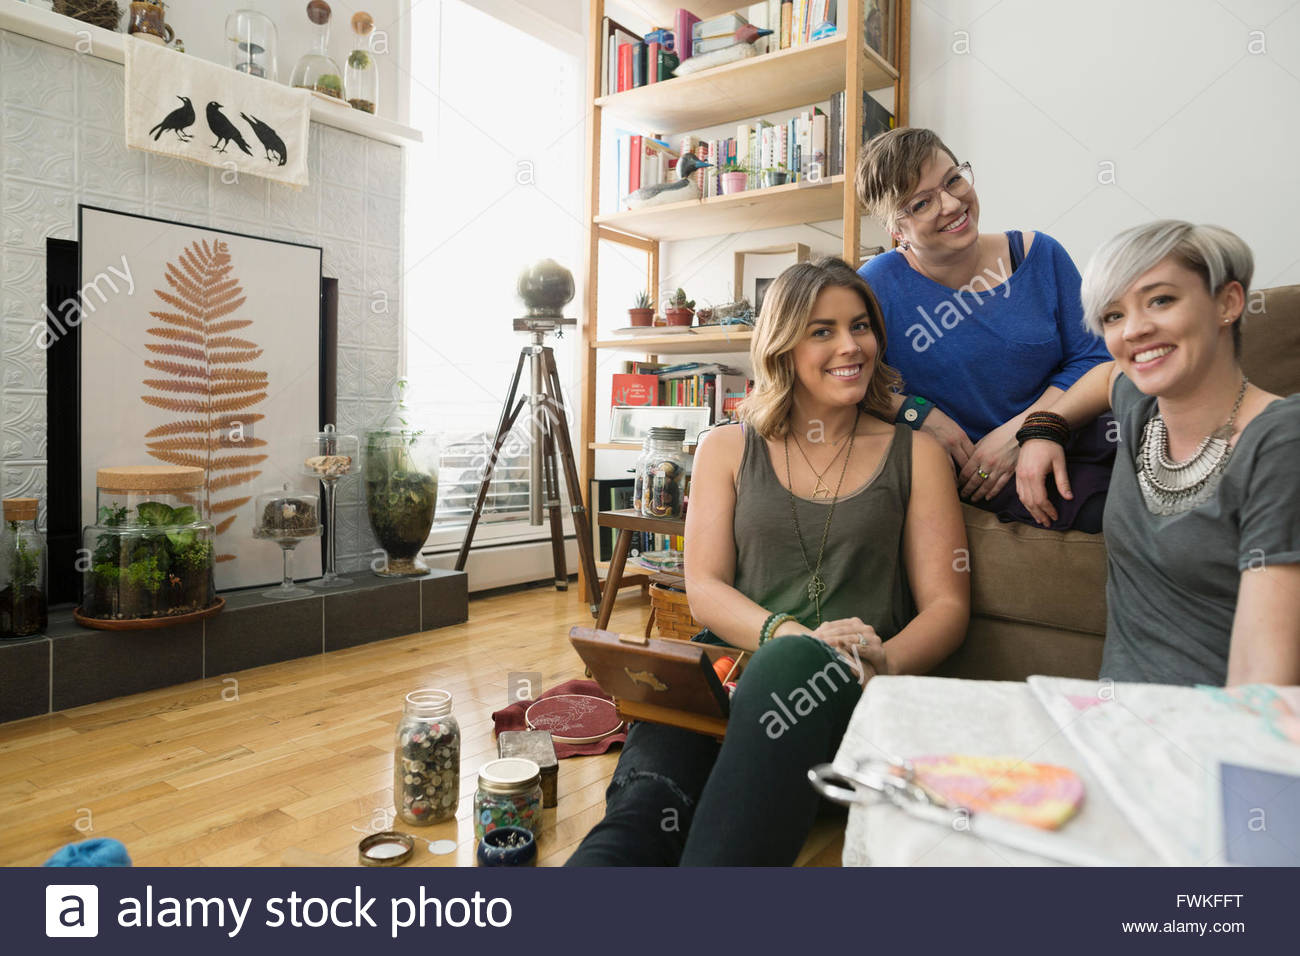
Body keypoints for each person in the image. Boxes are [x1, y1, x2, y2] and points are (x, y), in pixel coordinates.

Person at [566, 258, 969, 866]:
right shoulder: (725, 447)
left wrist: (878, 660)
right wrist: (792, 636)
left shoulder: (919, 454)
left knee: (795, 672)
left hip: (845, 688)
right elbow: (703, 587)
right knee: (642, 814)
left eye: (860, 326)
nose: (850, 346)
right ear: (782, 345)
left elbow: (947, 606)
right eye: (822, 330)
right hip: (724, 672)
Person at [1016, 221, 1300, 687]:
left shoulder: (1279, 441)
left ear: (1227, 302)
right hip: (1117, 718)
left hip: (1216, 735)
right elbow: (1109, 377)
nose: (1135, 330)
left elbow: (1261, 686)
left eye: (1160, 300)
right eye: (1113, 316)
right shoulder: (1141, 406)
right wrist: (1045, 428)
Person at [855, 127, 1114, 531]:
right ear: (896, 230)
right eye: (922, 202)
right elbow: (842, 381)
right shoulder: (873, 286)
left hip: (1075, 432)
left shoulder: (1039, 253)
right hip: (983, 477)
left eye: (954, 180)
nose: (952, 203)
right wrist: (916, 412)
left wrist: (1028, 431)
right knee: (1115, 514)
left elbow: (1096, 358)